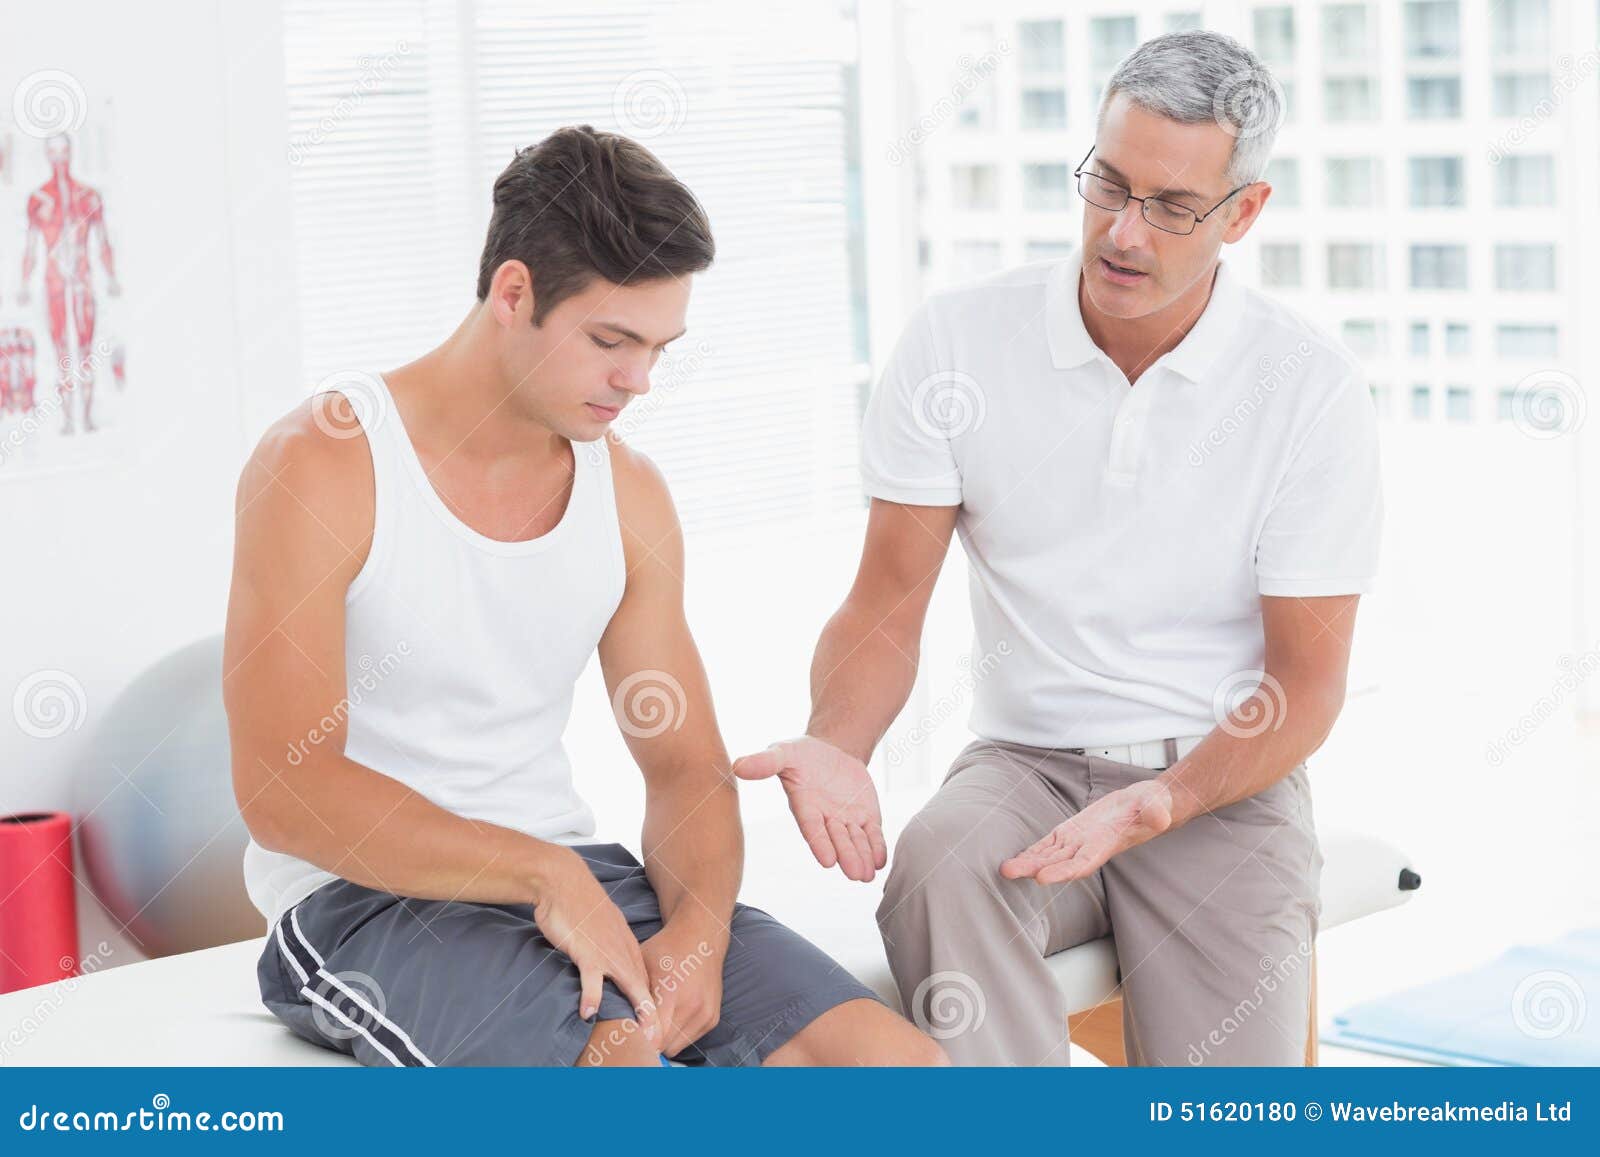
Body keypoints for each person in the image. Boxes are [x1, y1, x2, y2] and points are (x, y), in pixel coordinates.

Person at [224, 125, 945, 1069]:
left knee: (905, 1073)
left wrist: (699, 932)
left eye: (657, 347)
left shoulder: (628, 493)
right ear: (513, 292)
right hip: (364, 900)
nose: (638, 380)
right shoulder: (325, 463)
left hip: (576, 872)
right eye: (612, 340)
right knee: (625, 1076)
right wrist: (540, 872)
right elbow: (285, 792)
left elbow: (685, 771)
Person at [735, 31, 1382, 1066]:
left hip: (1215, 783)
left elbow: (1304, 685)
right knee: (939, 863)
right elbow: (883, 606)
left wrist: (1163, 799)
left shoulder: (1306, 388)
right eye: (1106, 185)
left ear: (1243, 213)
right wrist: (836, 744)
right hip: (1025, 767)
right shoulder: (958, 342)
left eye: (1170, 206)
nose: (1123, 233)